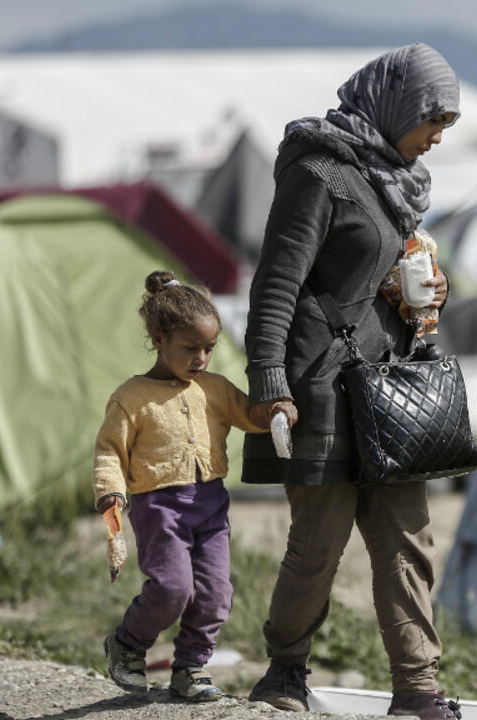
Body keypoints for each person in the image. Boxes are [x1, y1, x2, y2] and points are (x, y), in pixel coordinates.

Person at [241, 43, 463, 720]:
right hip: (320, 386)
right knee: (319, 545)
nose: (434, 141)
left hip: (392, 389)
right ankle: (285, 672)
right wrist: (268, 379)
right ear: (398, 105)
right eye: (432, 123)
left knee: (407, 541)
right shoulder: (320, 171)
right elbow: (277, 284)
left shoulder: (398, 180)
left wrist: (422, 297)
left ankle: (417, 691)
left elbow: (375, 281)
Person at [93, 271, 291, 702]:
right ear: (158, 337)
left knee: (217, 593)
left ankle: (191, 668)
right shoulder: (132, 397)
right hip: (159, 508)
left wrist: (276, 408)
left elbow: (249, 414)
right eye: (191, 348)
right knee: (173, 588)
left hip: (211, 506)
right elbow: (110, 451)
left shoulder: (215, 389)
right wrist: (111, 493)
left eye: (209, 349)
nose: (201, 357)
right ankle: (128, 643)